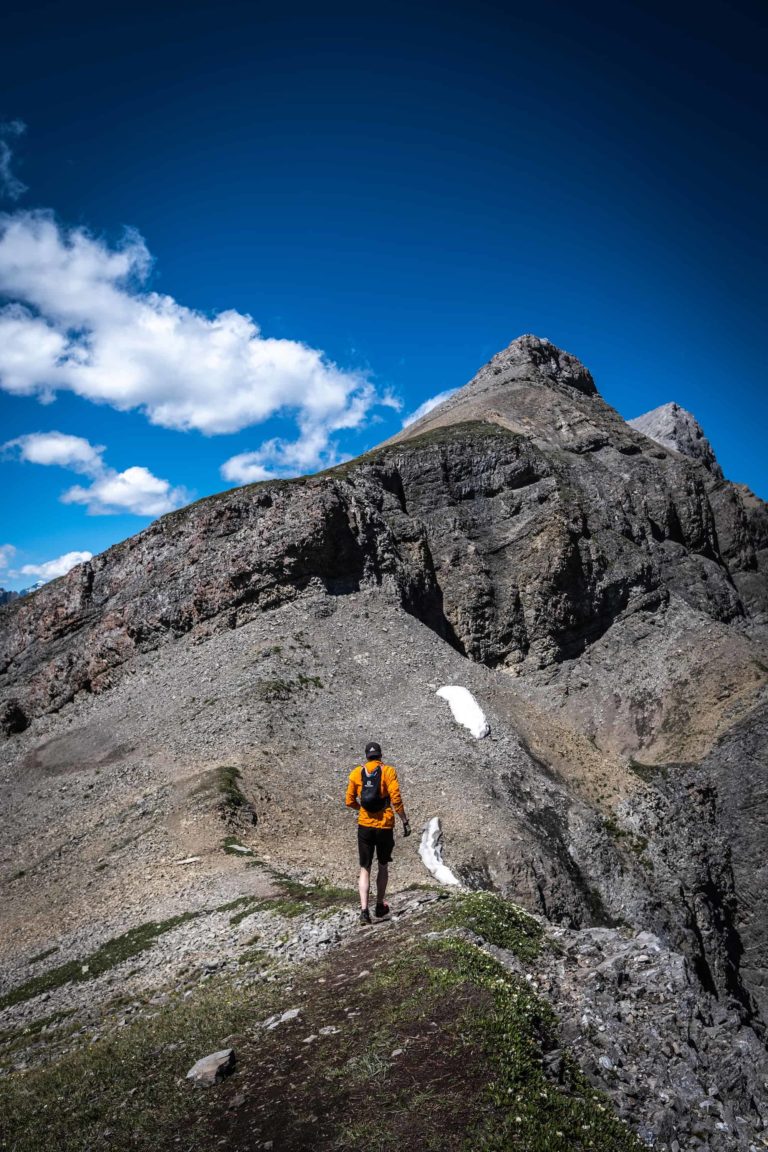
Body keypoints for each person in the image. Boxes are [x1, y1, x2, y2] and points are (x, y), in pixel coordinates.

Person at [346, 740, 411, 924]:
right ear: (381, 755)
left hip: (365, 826)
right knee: (383, 865)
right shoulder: (388, 771)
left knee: (364, 868)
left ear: (367, 756)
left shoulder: (357, 773)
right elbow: (396, 797)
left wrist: (362, 810)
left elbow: (349, 800)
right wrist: (404, 820)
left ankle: (364, 911)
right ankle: (380, 905)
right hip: (384, 825)